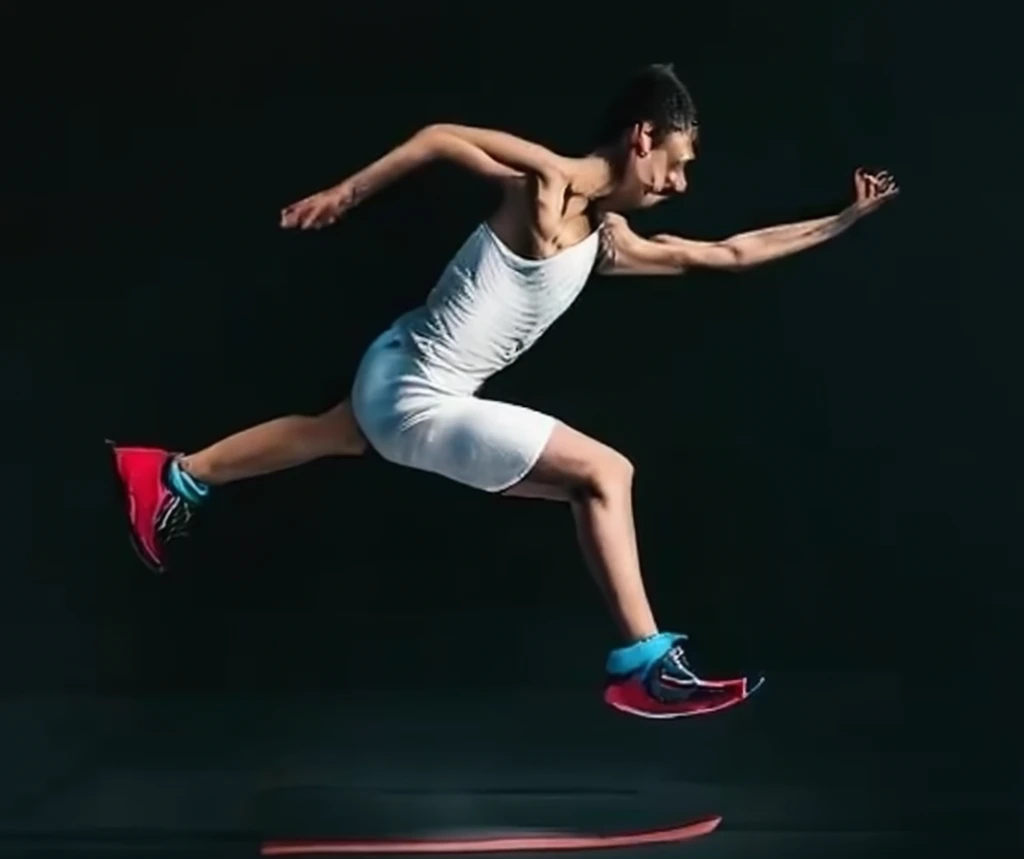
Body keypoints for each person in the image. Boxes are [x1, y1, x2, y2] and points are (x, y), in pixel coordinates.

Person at [109, 63, 899, 719]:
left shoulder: (604, 241)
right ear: (642, 138)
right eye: (679, 161)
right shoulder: (549, 185)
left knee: (338, 431)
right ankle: (646, 667)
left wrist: (841, 220)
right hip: (420, 395)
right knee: (605, 474)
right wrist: (344, 196)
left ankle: (173, 473)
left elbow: (727, 254)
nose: (681, 183)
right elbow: (441, 138)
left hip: (397, 368)